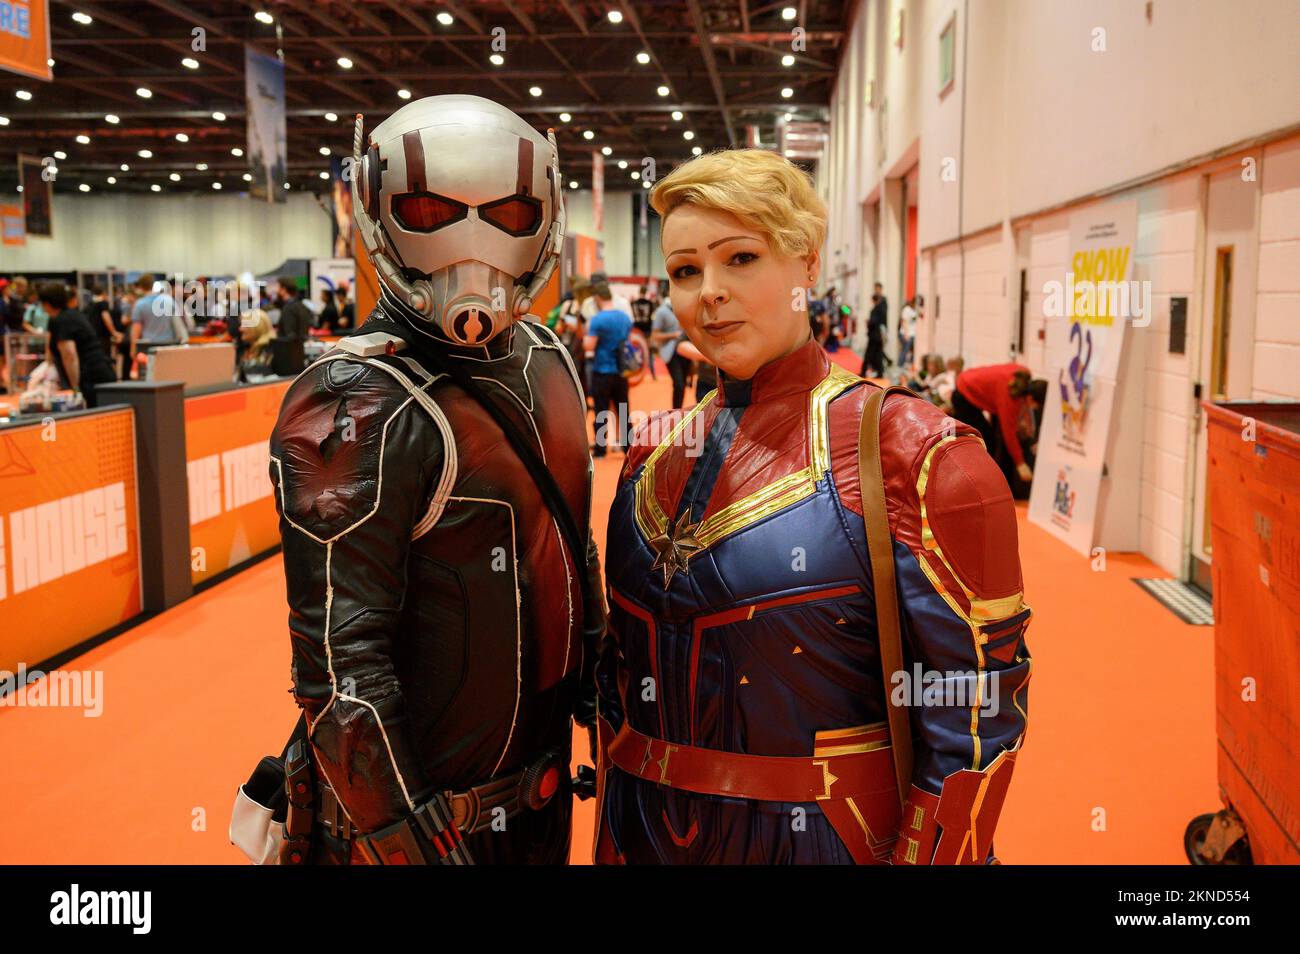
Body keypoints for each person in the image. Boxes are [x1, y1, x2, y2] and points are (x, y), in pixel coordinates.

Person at [592, 147, 1032, 866]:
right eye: (684, 271)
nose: (710, 292)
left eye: (740, 258)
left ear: (806, 265)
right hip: (637, 834)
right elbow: (619, 682)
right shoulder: (649, 458)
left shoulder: (918, 457)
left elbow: (976, 716)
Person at [265, 94, 601, 866]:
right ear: (378, 212)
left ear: (545, 214)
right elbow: (339, 663)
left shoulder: (547, 358)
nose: (471, 243)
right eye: (430, 208)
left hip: (544, 808)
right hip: (429, 829)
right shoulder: (355, 397)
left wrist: (600, 682)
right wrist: (397, 835)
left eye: (508, 213)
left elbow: (568, 550)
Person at [951, 362, 1041, 486]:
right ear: (1030, 398)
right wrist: (1021, 464)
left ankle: (989, 480)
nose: (1033, 409)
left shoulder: (1024, 373)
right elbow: (1009, 433)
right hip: (964, 393)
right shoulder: (1010, 399)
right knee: (985, 441)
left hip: (969, 378)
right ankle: (975, 483)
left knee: (995, 440)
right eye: (1035, 406)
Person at [42, 282, 117, 407]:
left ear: (47, 304)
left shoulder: (62, 320)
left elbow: (70, 356)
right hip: (102, 371)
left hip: (91, 377)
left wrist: (75, 387)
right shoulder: (73, 315)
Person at [585, 281, 631, 457]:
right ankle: (628, 447)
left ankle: (600, 448)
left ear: (597, 298)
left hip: (602, 370)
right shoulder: (624, 317)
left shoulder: (597, 319)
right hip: (621, 371)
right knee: (623, 410)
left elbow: (589, 346)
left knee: (601, 411)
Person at [650, 294, 690, 410]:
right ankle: (676, 412)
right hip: (670, 353)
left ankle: (678, 411)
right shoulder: (662, 312)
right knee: (679, 384)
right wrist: (674, 335)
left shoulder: (685, 308)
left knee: (682, 385)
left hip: (686, 351)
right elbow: (655, 335)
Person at [860, 282, 887, 377]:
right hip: (878, 335)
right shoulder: (881, 307)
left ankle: (864, 371)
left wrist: (869, 322)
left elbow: (874, 322)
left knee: (869, 354)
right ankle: (880, 372)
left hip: (874, 335)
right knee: (878, 354)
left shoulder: (877, 308)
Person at [274, 277, 311, 342]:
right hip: (300, 347)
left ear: (284, 289)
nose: (276, 290)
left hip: (289, 349)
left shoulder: (288, 308)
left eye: (278, 287)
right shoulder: (301, 305)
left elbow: (290, 335)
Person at [898, 297, 918, 371]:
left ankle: (910, 366)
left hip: (913, 334)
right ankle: (899, 366)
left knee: (913, 352)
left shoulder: (915, 311)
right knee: (905, 351)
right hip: (906, 334)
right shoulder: (907, 309)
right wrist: (906, 334)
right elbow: (904, 322)